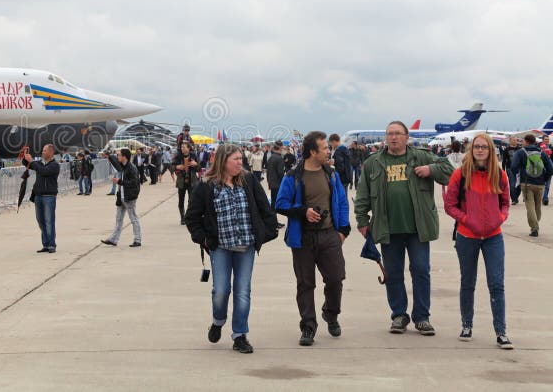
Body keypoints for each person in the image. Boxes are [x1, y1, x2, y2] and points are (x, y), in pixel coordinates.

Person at [354, 121, 453, 335]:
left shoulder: (422, 156)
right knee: (393, 273)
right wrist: (362, 221)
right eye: (390, 133)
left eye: (398, 133)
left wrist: (431, 169)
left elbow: (449, 172)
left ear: (407, 137)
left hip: (418, 227)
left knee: (420, 271)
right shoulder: (374, 162)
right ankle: (399, 315)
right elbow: (362, 193)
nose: (393, 137)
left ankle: (422, 317)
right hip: (388, 228)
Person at [185, 144, 279, 354]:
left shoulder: (248, 181)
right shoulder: (206, 185)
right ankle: (218, 321)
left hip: (246, 246)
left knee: (242, 292)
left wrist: (267, 232)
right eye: (235, 159)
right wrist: (205, 240)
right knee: (221, 291)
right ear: (223, 161)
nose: (240, 162)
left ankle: (240, 335)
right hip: (221, 248)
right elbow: (192, 217)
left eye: (240, 159)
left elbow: (265, 207)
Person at [276, 131, 350, 346]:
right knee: (305, 284)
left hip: (329, 235)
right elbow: (280, 204)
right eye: (325, 148)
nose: (328, 151)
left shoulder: (331, 174)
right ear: (312, 152)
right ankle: (308, 326)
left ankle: (331, 313)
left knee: (336, 278)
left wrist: (343, 230)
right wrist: (303, 211)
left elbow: (342, 202)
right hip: (303, 238)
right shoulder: (293, 176)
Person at [443, 133, 513, 349]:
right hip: (467, 236)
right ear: (471, 150)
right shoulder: (460, 174)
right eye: (477, 147)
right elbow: (449, 204)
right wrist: (466, 220)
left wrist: (499, 218)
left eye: (484, 147)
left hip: (493, 237)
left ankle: (501, 332)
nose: (480, 150)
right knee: (468, 282)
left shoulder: (499, 175)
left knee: (496, 284)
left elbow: (505, 203)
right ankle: (467, 325)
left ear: (490, 150)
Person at [510, 134, 553, 237]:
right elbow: (550, 168)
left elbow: (513, 167)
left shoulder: (521, 152)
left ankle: (534, 228)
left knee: (530, 206)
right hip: (540, 184)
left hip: (526, 183)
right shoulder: (542, 152)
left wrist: (518, 174)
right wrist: (545, 179)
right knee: (537, 206)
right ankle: (535, 225)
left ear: (526, 141)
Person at [101, 148, 142, 247]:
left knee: (133, 218)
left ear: (124, 157)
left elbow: (135, 183)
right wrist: (109, 156)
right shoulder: (123, 166)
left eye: (119, 155)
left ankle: (138, 239)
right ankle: (114, 239)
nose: (118, 156)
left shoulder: (131, 168)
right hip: (122, 197)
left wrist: (120, 182)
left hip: (129, 197)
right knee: (119, 219)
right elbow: (115, 162)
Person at [24, 144, 60, 253]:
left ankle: (51, 244)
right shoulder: (39, 163)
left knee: (49, 221)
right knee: (41, 221)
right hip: (38, 196)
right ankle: (45, 244)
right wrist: (24, 156)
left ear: (51, 152)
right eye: (43, 150)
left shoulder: (54, 165)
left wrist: (33, 161)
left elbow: (44, 171)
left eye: (45, 150)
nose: (42, 152)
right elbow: (28, 165)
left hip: (49, 196)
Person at [174, 142, 199, 225]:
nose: (182, 148)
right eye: (181, 147)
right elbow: (172, 165)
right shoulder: (178, 156)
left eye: (184, 147)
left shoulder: (194, 156)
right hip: (181, 181)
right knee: (181, 200)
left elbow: (199, 168)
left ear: (188, 148)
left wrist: (195, 164)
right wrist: (176, 167)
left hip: (191, 182)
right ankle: (182, 217)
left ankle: (188, 216)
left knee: (191, 201)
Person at [500, 136, 521, 205]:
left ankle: (516, 196)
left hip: (518, 169)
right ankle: (513, 199)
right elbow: (504, 160)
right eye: (513, 140)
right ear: (510, 141)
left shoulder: (520, 149)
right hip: (510, 169)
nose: (514, 141)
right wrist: (503, 170)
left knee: (519, 185)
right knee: (512, 184)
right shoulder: (506, 149)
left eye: (515, 140)